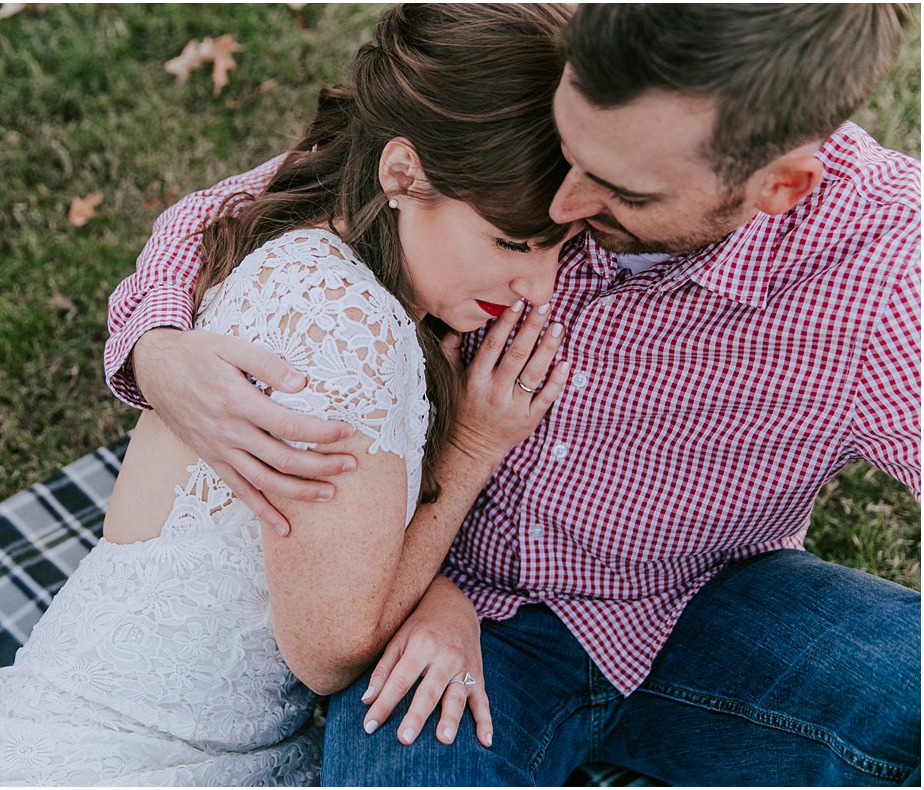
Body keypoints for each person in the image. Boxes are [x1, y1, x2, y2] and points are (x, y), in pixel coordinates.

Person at [105, 3, 921, 786]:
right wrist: (158, 348)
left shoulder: (888, 274)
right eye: (570, 148)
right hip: (437, 604)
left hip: (702, 599)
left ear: (779, 186)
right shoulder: (569, 49)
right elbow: (247, 203)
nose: (564, 207)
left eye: (622, 193)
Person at [0, 4, 578, 785]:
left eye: (558, 248)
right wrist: (473, 449)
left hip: (69, 734)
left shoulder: (307, 241)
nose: (539, 287)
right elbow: (330, 652)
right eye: (511, 242)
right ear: (403, 174)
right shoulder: (351, 329)